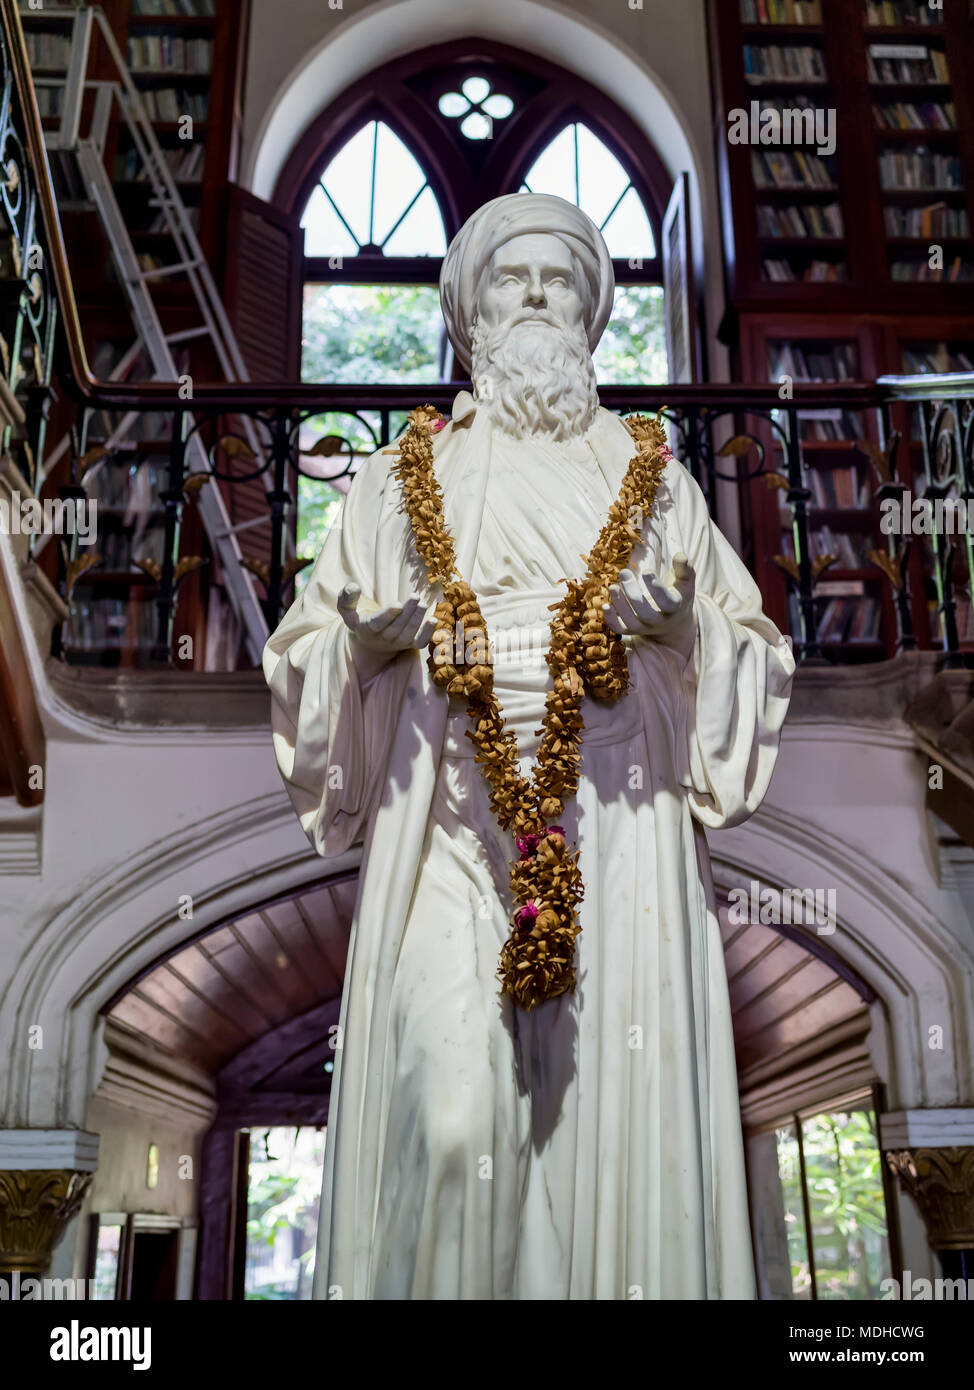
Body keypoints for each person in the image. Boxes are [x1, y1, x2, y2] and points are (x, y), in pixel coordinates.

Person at [264, 192, 795, 1299]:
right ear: (471, 313)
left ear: (593, 314)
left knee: (607, 1120)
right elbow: (304, 645)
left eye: (561, 279)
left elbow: (748, 644)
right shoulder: (401, 477)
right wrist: (361, 648)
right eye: (515, 278)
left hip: (618, 805)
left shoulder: (654, 476)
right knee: (451, 1116)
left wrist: (680, 623)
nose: (540, 296)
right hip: (447, 797)